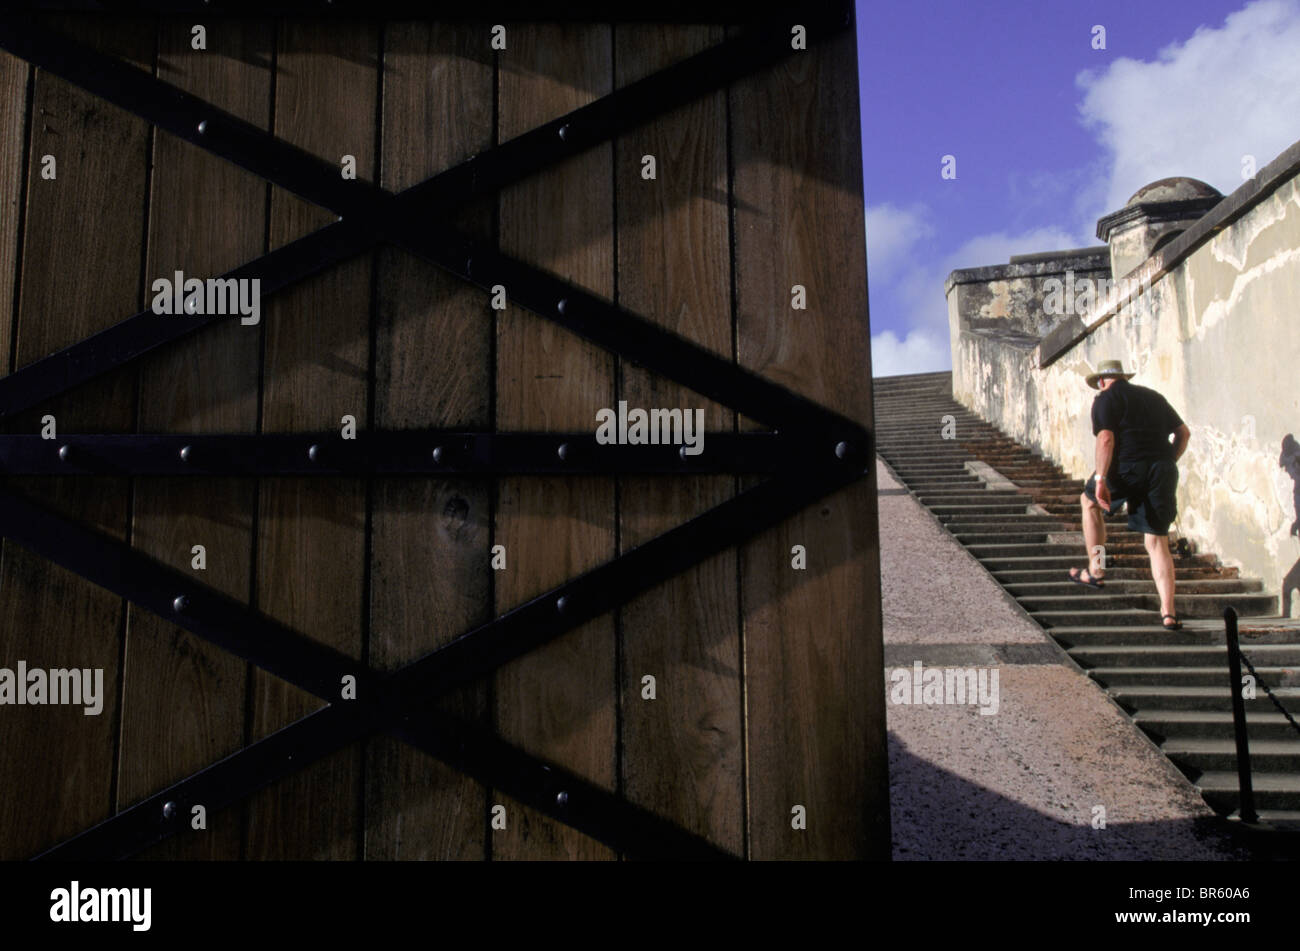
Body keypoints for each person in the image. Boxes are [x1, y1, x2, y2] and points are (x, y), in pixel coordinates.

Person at [1068, 359, 1191, 630]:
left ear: (1101, 381)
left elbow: (1106, 439)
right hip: (1162, 469)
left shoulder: (1105, 399)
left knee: (1088, 502)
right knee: (1157, 541)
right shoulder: (1153, 397)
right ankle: (1168, 612)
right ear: (1124, 377)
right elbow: (1183, 433)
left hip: (1125, 468)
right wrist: (1166, 462)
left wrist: (1100, 478)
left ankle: (1096, 570)